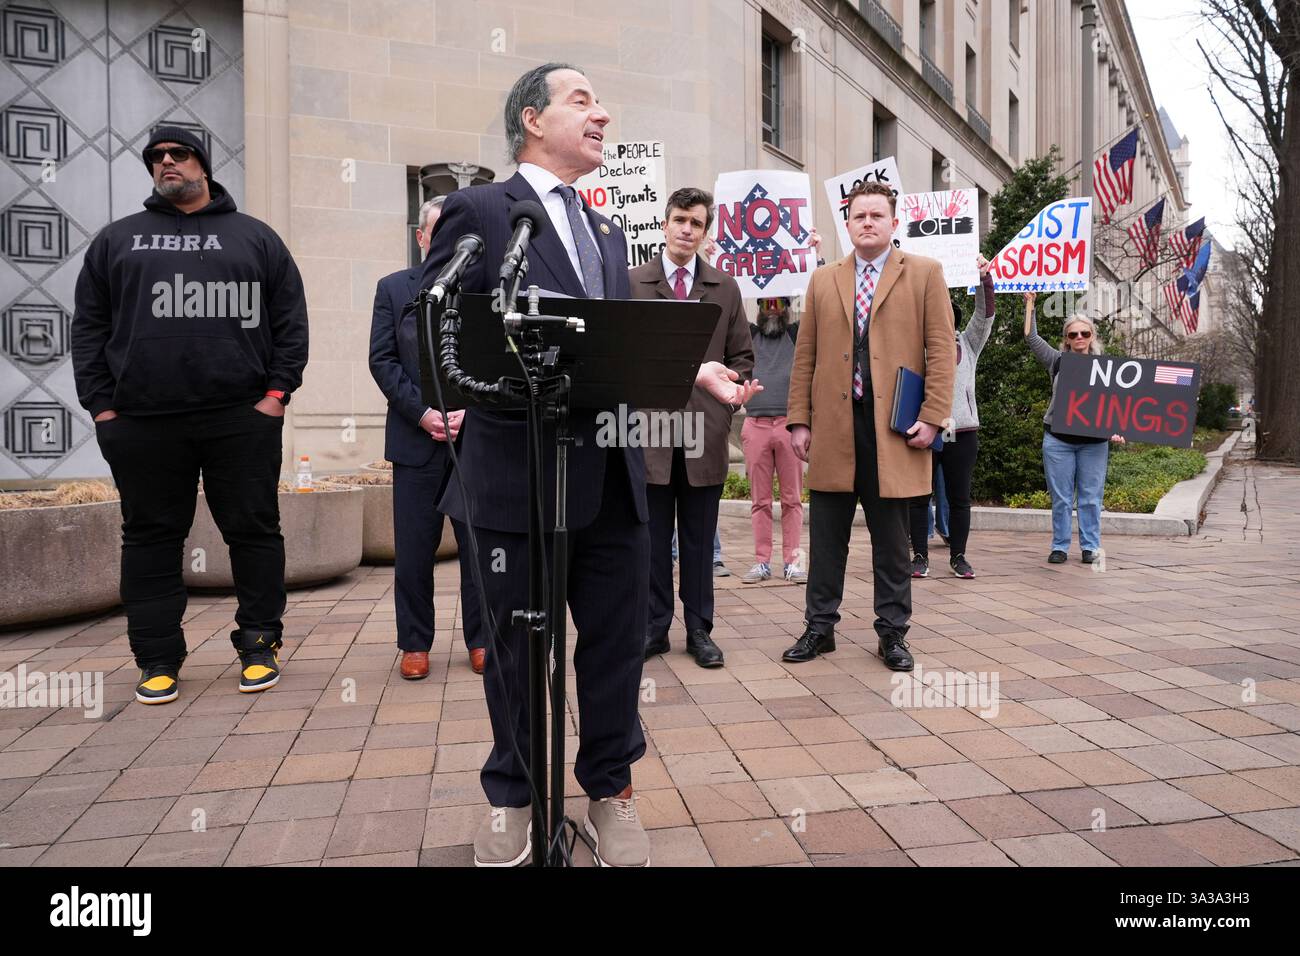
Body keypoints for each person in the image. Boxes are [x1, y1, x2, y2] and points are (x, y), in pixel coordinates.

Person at [418, 63, 757, 868]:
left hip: (609, 480)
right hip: (513, 482)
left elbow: (616, 343)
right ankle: (512, 796)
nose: (602, 113)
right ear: (533, 119)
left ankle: (610, 791)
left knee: (611, 646)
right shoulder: (480, 210)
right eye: (582, 101)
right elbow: (432, 331)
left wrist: (692, 371)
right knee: (514, 648)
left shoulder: (608, 231)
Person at [71, 125, 309, 705]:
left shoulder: (255, 238)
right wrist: (104, 409)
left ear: (203, 161)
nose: (166, 163)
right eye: (156, 157)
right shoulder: (117, 241)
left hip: (239, 418)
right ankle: (156, 659)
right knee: (150, 538)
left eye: (178, 154)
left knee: (253, 532)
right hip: (143, 423)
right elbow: (88, 330)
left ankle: (258, 644)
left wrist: (274, 398)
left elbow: (290, 324)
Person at [783, 181, 955, 671]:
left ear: (893, 222)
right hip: (835, 427)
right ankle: (820, 628)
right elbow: (806, 356)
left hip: (894, 431)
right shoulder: (824, 279)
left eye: (877, 215)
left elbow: (941, 350)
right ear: (849, 222)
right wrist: (799, 419)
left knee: (892, 542)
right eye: (859, 216)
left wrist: (933, 415)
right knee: (827, 538)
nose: (868, 223)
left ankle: (893, 633)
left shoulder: (924, 273)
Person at [633, 187, 753, 669]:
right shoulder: (633, 282)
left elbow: (742, 356)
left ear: (707, 233)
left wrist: (730, 397)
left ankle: (700, 629)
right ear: (665, 224)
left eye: (697, 223)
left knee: (700, 541)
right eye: (680, 219)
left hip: (705, 431)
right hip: (651, 434)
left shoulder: (724, 287)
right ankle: (654, 627)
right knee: (653, 540)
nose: (687, 229)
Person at [368, 197, 486, 679]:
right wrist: (422, 414)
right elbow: (383, 361)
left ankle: (481, 639)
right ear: (421, 237)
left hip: (472, 441)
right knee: (414, 552)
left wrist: (467, 413)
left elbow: (491, 359)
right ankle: (414, 643)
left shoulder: (479, 290)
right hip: (416, 443)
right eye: (436, 232)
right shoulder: (394, 289)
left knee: (478, 552)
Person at [908, 254, 994, 580]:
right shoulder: (917, 346)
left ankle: (958, 556)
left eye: (949, 316)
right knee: (918, 496)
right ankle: (919, 556)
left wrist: (985, 278)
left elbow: (984, 315)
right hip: (925, 429)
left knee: (960, 498)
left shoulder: (969, 344)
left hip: (963, 431)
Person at [1023, 293, 1124, 564]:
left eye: (1084, 333)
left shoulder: (1109, 369)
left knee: (1091, 499)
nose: (1079, 337)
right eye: (1073, 334)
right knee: (1061, 499)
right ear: (1066, 339)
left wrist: (1117, 428)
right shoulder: (1057, 361)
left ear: (1092, 336)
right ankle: (1060, 546)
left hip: (1094, 443)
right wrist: (1030, 306)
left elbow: (1116, 406)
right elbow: (1032, 339)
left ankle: (1090, 547)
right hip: (1058, 441)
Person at [740, 292, 814, 585]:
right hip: (754, 425)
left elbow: (815, 303)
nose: (772, 309)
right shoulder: (749, 337)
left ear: (787, 308)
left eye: (779, 303)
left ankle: (793, 562)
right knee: (759, 500)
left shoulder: (796, 335)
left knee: (792, 499)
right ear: (758, 308)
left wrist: (815, 258)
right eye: (766, 303)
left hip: (788, 425)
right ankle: (761, 562)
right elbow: (724, 304)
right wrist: (717, 260)